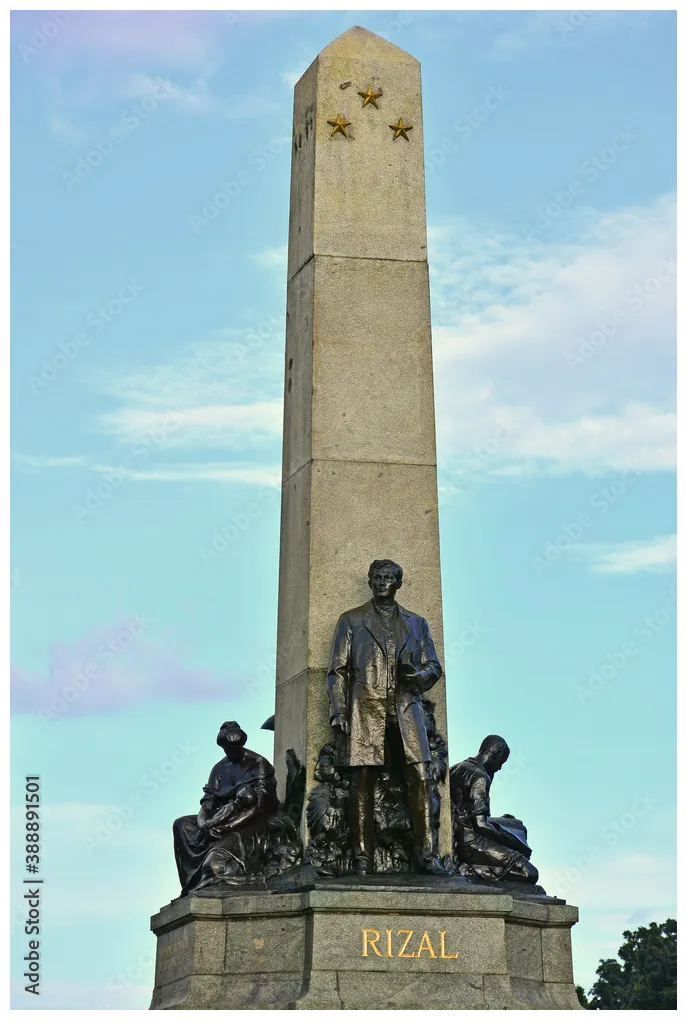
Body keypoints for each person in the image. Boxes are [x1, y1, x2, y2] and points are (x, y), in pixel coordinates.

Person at [327, 559, 444, 875]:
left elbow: (434, 666)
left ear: (398, 583)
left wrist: (417, 676)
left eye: (388, 577)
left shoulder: (416, 623)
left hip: (406, 709)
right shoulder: (351, 620)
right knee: (362, 779)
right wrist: (338, 710)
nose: (382, 582)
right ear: (369, 581)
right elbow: (337, 671)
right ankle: (362, 856)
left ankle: (427, 856)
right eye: (376, 577)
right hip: (366, 709)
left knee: (421, 776)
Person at [173, 721, 278, 894]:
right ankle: (189, 886)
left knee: (213, 867)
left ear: (242, 744)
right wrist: (203, 824)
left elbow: (259, 808)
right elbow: (208, 803)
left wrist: (227, 827)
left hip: (249, 825)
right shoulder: (219, 769)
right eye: (228, 749)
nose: (232, 752)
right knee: (181, 825)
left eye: (236, 747)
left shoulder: (258, 764)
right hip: (220, 822)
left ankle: (218, 880)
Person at [449, 734, 538, 884]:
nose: (500, 767)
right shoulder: (481, 777)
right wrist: (513, 843)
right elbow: (480, 825)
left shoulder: (456, 768)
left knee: (513, 823)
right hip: (471, 842)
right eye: (501, 761)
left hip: (458, 833)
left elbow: (466, 812)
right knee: (530, 873)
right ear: (494, 754)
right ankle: (477, 879)